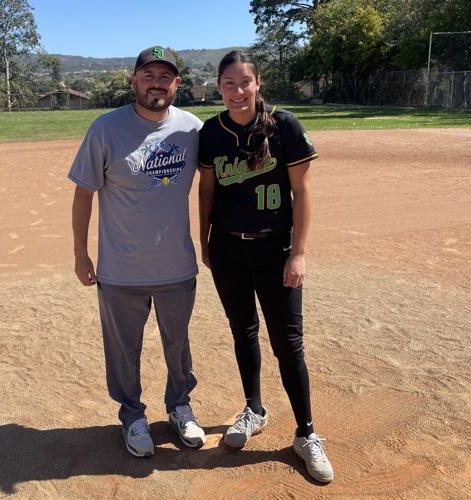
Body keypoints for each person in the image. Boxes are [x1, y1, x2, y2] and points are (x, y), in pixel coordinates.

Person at [197, 50, 334, 483]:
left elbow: (303, 193)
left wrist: (299, 252)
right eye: (229, 84)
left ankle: (306, 433)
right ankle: (254, 409)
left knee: (288, 344)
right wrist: (203, 240)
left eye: (245, 82)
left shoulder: (284, 124)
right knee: (243, 332)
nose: (238, 91)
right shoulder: (211, 132)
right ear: (219, 88)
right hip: (228, 249)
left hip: (276, 250)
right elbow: (206, 189)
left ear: (258, 83)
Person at [69, 46, 206, 458]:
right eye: (148, 76)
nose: (156, 84)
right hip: (121, 269)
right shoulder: (106, 128)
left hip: (176, 265)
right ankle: (132, 414)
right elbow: (83, 194)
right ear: (134, 81)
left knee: (177, 345)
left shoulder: (193, 129)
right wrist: (80, 254)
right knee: (123, 349)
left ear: (176, 83)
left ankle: (179, 406)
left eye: (165, 77)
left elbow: (221, 179)